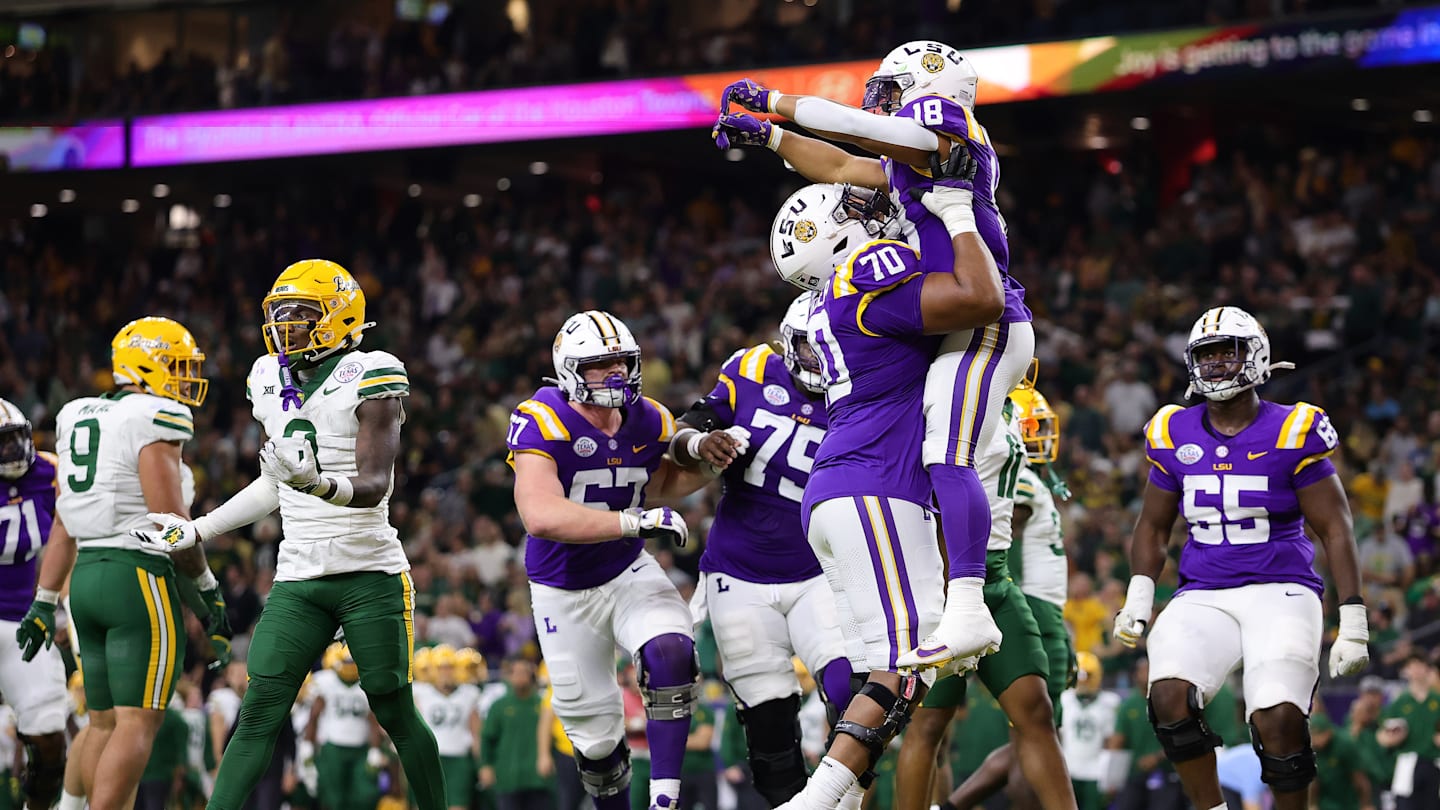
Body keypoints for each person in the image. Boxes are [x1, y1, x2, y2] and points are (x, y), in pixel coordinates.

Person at [714, 39, 1035, 670]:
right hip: (962, 316)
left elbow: (857, 130)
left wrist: (778, 101)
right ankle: (959, 600)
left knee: (949, 452)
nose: (880, 98)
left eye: (892, 86)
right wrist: (772, 137)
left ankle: (968, 607)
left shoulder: (950, 130)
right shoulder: (912, 167)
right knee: (943, 454)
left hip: (987, 317)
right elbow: (838, 164)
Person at [132, 259, 447, 810]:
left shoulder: (372, 371)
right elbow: (273, 487)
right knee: (259, 710)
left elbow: (374, 484)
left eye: (302, 314)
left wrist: (318, 483)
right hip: (300, 573)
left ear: (339, 316)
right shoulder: (267, 376)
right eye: (280, 314)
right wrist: (195, 530)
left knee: (393, 707)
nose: (286, 325)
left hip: (369, 570)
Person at [762, 153, 1004, 810]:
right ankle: (812, 804)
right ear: (839, 240)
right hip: (877, 488)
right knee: (903, 676)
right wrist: (958, 213)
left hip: (839, 490)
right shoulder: (870, 272)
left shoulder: (819, 306)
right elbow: (983, 297)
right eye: (855, 212)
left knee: (885, 678)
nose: (875, 212)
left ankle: (830, 801)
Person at [1112, 306, 1372, 810]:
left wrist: (1354, 619)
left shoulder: (1294, 427)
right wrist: (1139, 596)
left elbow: (1335, 528)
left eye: (1225, 353)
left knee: (1277, 719)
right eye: (1204, 356)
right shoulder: (1172, 430)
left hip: (1282, 591)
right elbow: (1154, 524)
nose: (1213, 366)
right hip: (1204, 593)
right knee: (1168, 698)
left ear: (1255, 357)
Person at [17, 317, 230, 810]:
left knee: (103, 721)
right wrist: (206, 588)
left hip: (86, 578)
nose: (183, 379)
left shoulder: (76, 414)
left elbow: (65, 523)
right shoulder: (152, 415)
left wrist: (46, 601)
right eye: (175, 366)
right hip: (136, 578)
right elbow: (169, 522)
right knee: (137, 723)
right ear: (144, 365)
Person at [507, 310, 715, 810]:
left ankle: (664, 799)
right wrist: (632, 522)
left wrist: (713, 461)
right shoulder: (542, 418)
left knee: (671, 650)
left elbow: (657, 486)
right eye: (601, 364)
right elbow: (539, 515)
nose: (616, 373)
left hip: (625, 569)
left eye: (622, 361)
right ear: (569, 369)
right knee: (596, 742)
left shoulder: (649, 417)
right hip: (563, 590)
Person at [670, 291, 855, 806]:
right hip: (740, 574)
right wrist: (701, 445)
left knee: (852, 691)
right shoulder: (751, 367)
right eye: (812, 348)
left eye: (832, 346)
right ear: (787, 343)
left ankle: (845, 800)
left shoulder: (866, 386)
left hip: (821, 570)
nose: (823, 360)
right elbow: (688, 429)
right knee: (768, 728)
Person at [895, 389, 1075, 810]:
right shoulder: (947, 396)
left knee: (1036, 711)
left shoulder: (1008, 407)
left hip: (995, 577)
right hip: (947, 579)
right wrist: (937, 582)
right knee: (928, 726)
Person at [0, 398, 68, 810]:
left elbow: (73, 531)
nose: (12, 451)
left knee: (49, 738)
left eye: (14, 439)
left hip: (24, 620)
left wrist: (61, 598)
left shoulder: (50, 471)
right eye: (1, 444)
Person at [307, 644, 381, 810]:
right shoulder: (325, 681)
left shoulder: (366, 682)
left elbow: (373, 720)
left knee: (364, 796)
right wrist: (308, 747)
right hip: (332, 747)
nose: (349, 667)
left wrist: (375, 750)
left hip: (360, 748)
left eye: (352, 662)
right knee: (332, 798)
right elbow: (313, 717)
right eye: (346, 662)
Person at [413, 645, 482, 810]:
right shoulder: (420, 692)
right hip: (429, 759)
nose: (446, 673)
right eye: (441, 668)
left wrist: (481, 763)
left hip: (459, 759)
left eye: (450, 667)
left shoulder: (469, 693)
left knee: (458, 806)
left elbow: (476, 732)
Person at [1060, 653, 1122, 810]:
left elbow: (1111, 743)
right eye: (1078, 675)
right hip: (1068, 770)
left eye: (1086, 675)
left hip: (1095, 773)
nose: (1082, 681)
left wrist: (1111, 776)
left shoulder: (1109, 702)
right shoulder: (1065, 699)